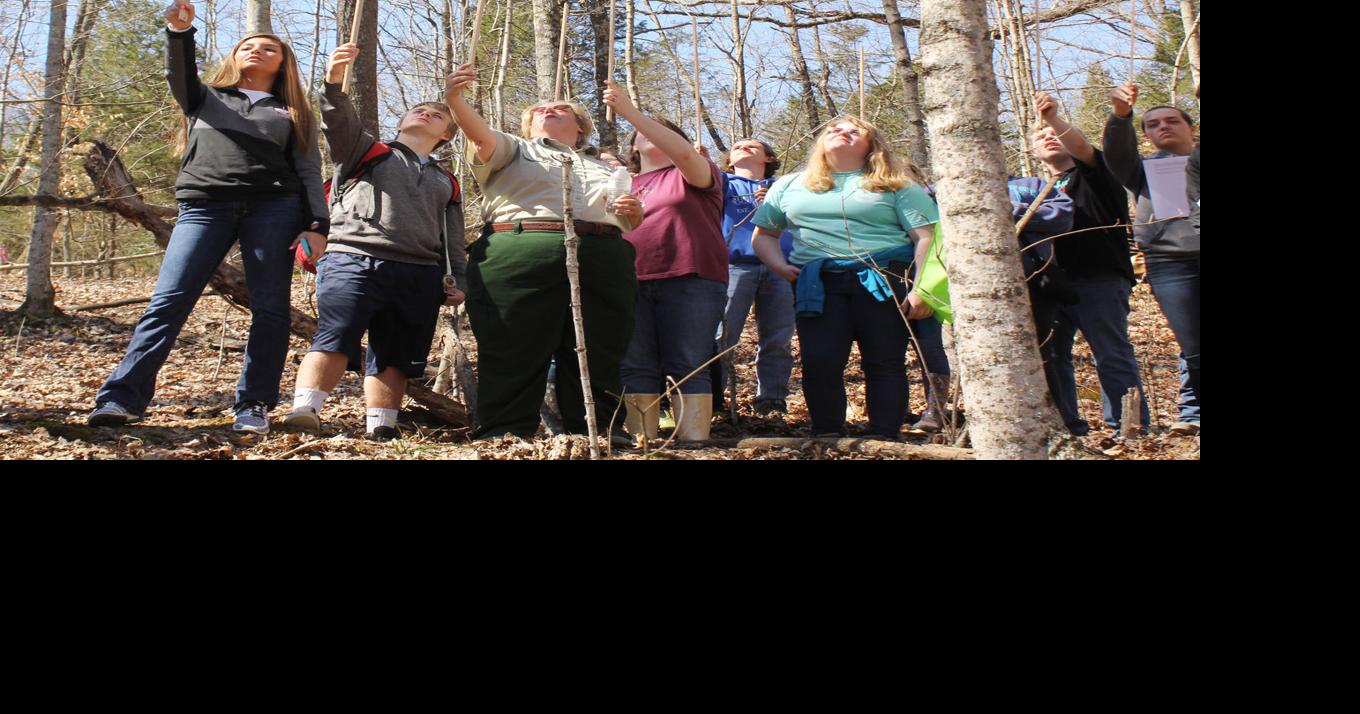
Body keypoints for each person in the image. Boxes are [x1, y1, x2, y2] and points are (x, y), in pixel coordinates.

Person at [89, 1, 326, 433]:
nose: (256, 50)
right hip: (204, 207)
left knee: (270, 307)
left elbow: (309, 170)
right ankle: (120, 399)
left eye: (268, 48)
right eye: (248, 45)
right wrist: (180, 32)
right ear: (234, 56)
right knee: (169, 301)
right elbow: (177, 73)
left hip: (274, 208)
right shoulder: (204, 97)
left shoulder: (292, 112)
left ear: (283, 64)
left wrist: (317, 226)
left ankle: (253, 404)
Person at [444, 64, 644, 440]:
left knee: (602, 345)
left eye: (560, 108)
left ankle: (599, 431)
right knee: (513, 343)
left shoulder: (606, 167)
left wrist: (632, 210)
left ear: (581, 127)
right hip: (520, 251)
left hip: (604, 254)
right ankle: (505, 432)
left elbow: (629, 219)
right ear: (528, 126)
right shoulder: (512, 149)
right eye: (538, 110)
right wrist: (455, 100)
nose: (548, 110)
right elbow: (479, 135)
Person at [280, 44, 466, 441]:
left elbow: (452, 239)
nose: (426, 113)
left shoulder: (447, 181)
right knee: (336, 335)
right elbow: (337, 119)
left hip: (420, 271)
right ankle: (305, 410)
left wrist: (459, 280)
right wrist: (334, 81)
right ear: (402, 121)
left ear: (447, 135)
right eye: (418, 109)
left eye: (437, 115)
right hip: (354, 257)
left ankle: (382, 426)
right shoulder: (366, 150)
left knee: (396, 354)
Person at [751, 116, 937, 439]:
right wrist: (780, 267)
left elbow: (926, 237)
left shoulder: (896, 185)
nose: (842, 133)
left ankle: (884, 435)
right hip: (817, 284)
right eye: (835, 130)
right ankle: (826, 434)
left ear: (872, 146)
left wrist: (921, 288)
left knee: (884, 360)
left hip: (884, 280)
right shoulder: (789, 185)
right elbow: (764, 234)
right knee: (819, 360)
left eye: (854, 131)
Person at [603, 80, 727, 442]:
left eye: (661, 130)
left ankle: (694, 442)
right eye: (641, 131)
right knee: (635, 364)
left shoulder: (694, 171)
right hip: (630, 280)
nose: (648, 132)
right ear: (632, 147)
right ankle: (643, 442)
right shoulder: (621, 182)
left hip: (692, 277)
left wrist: (630, 112)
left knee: (688, 363)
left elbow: (685, 155)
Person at [1031, 91, 1147, 436]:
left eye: (1054, 134)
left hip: (1099, 277)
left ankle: (1127, 429)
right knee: (1053, 357)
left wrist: (1052, 119)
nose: (1048, 137)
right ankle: (1070, 428)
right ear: (1033, 153)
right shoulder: (1035, 190)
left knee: (1110, 352)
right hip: (1052, 285)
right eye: (1040, 136)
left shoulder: (1096, 173)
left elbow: (1082, 149)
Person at [1104, 82, 1199, 435]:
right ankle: (1194, 413)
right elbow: (1116, 153)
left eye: (1172, 120)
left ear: (1191, 127)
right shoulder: (1141, 169)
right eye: (1153, 124)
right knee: (1193, 342)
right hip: (1170, 264)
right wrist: (1121, 115)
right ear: (1145, 136)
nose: (1163, 127)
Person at [710, 138, 797, 416]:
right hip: (734, 265)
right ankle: (712, 400)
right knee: (722, 336)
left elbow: (803, 221)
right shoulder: (721, 182)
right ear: (729, 161)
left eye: (753, 146)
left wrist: (776, 206)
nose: (743, 147)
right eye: (737, 146)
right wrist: (700, 159)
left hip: (780, 266)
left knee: (778, 337)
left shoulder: (784, 187)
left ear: (768, 158)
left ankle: (771, 400)